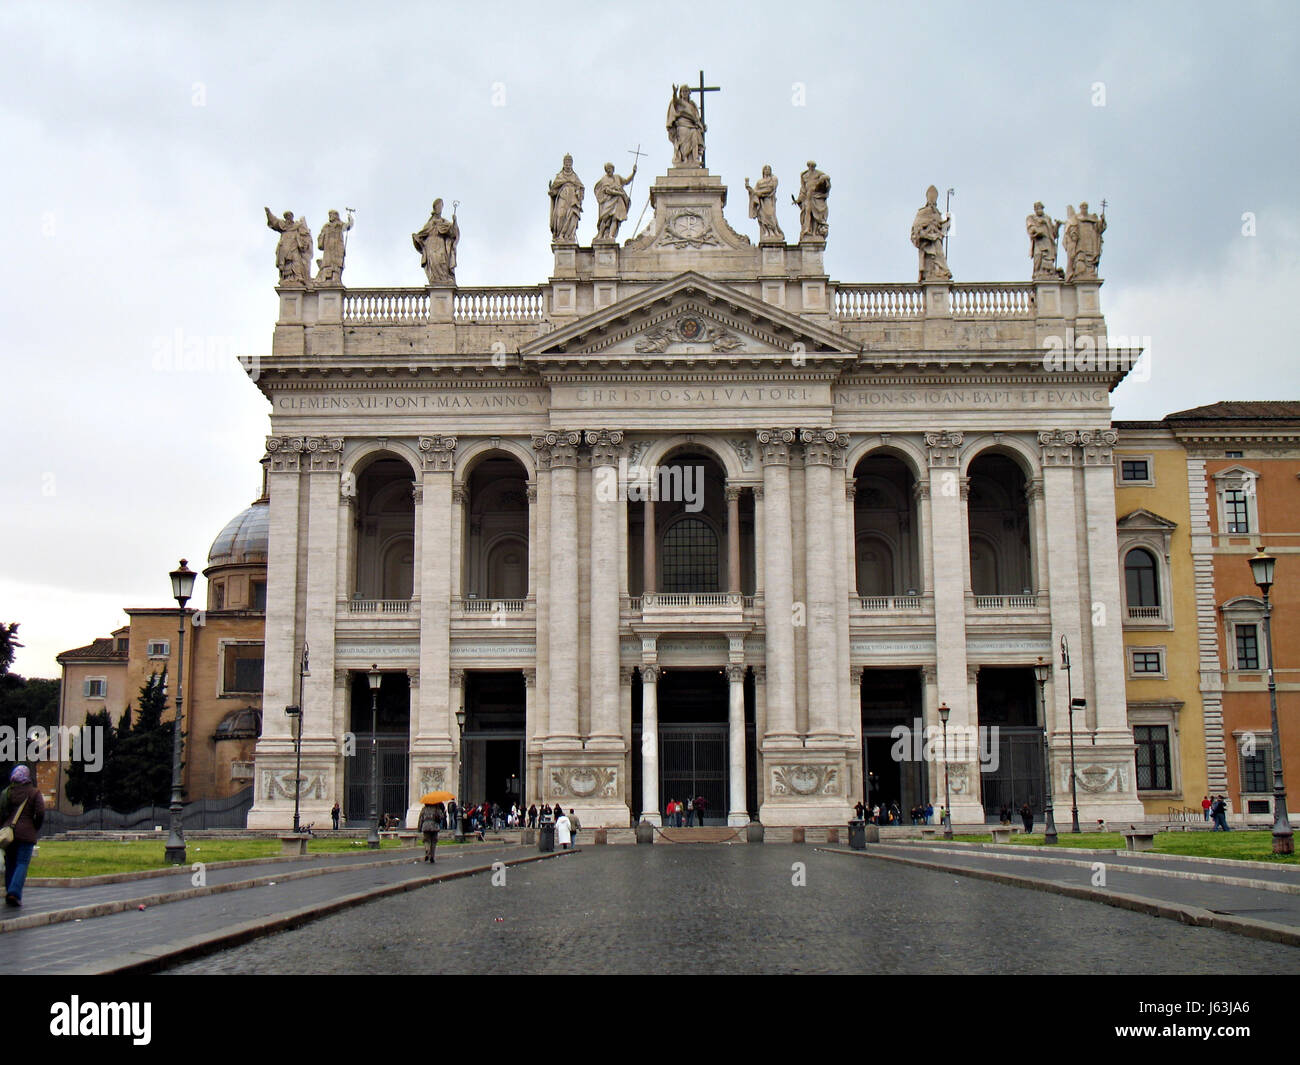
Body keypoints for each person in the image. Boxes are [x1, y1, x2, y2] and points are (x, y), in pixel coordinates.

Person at [1, 765, 44, 907]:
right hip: (26, 835)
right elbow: (40, 813)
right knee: (22, 863)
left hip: (9, 834)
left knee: (10, 864)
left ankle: (9, 890)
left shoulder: (8, 792)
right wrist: (34, 827)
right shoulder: (34, 792)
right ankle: (14, 892)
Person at [412, 198, 459, 285]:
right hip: (431, 245)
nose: (440, 208)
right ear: (435, 208)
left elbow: (453, 232)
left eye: (441, 206)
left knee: (442, 261)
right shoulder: (430, 223)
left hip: (440, 244)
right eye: (439, 206)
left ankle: (444, 279)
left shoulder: (444, 222)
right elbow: (423, 233)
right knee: (434, 263)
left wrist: (455, 221)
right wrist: (417, 237)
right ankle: (436, 281)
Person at [594, 161, 636, 241]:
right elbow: (607, 190)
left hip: (618, 200)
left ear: (613, 169)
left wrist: (633, 173)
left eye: (610, 168)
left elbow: (627, 181)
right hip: (609, 200)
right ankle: (600, 235)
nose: (608, 170)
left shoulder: (617, 177)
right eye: (607, 169)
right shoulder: (604, 179)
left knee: (615, 218)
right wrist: (619, 193)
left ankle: (611, 236)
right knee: (604, 218)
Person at [548, 155, 584, 243]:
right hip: (563, 197)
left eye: (569, 163)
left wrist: (578, 192)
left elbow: (581, 187)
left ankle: (567, 236)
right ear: (563, 164)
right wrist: (552, 191)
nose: (568, 165)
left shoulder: (575, 176)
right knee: (560, 215)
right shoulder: (560, 176)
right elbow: (554, 189)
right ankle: (559, 235)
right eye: (566, 163)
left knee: (570, 216)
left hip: (572, 200)